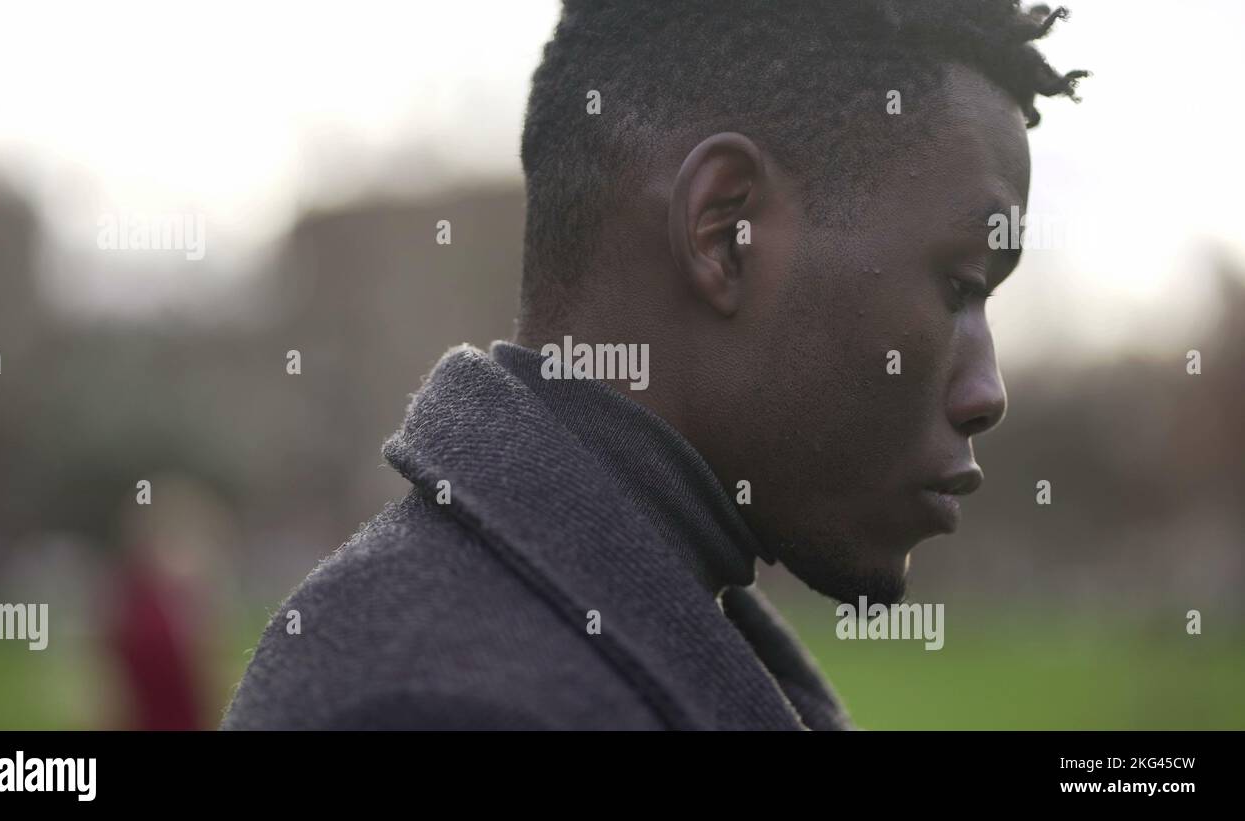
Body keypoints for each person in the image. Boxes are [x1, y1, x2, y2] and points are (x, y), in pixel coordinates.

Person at [223, 0, 1086, 730]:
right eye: (962, 285)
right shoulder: (439, 704)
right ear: (726, 234)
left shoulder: (562, 637)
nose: (987, 392)